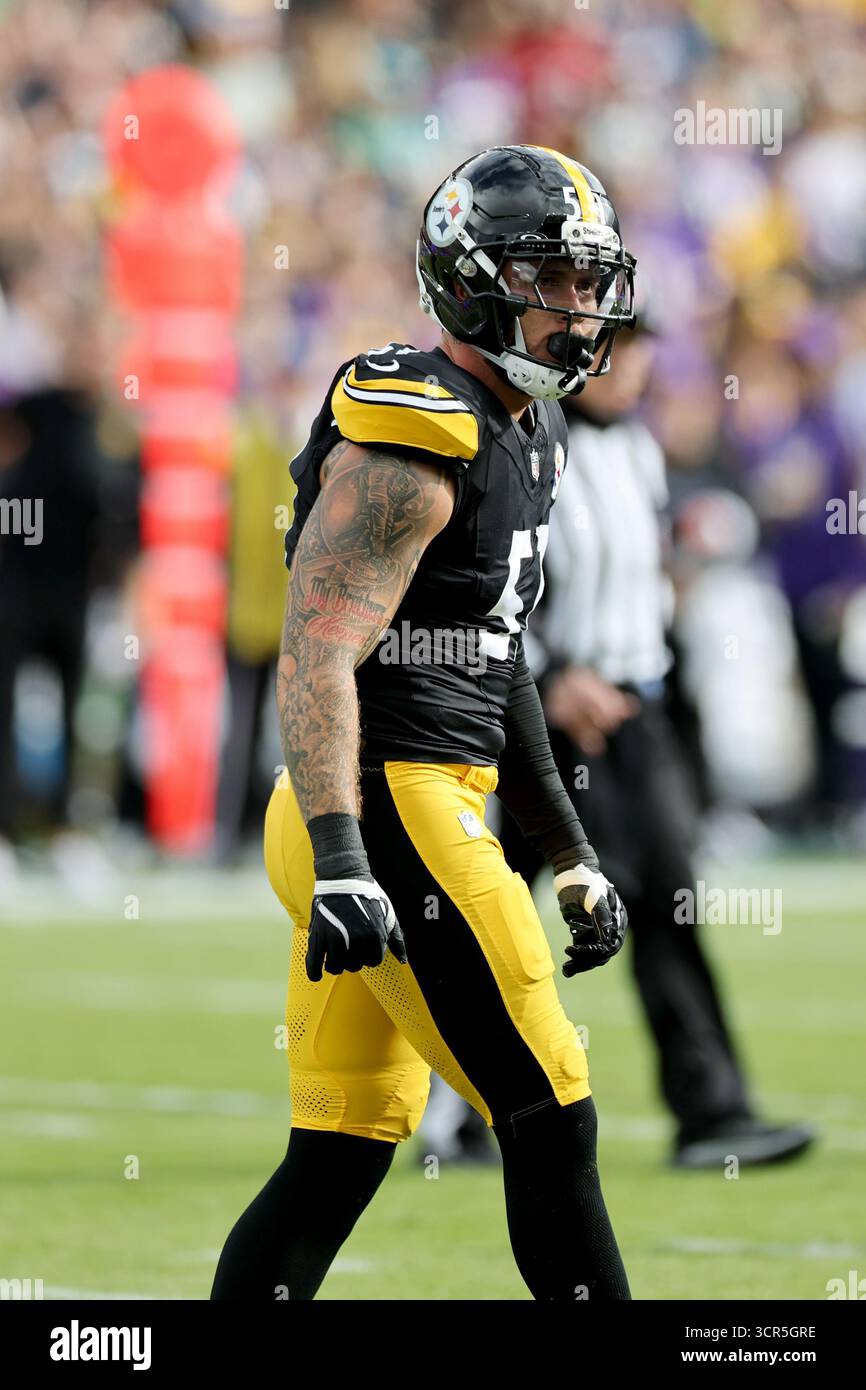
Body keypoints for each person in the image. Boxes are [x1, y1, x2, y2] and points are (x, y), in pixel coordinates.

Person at [211, 145, 636, 1301]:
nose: (580, 306)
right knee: (548, 1115)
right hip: (383, 807)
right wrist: (350, 860)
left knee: (337, 1151)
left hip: (398, 805)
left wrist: (566, 852)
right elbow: (317, 646)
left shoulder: (525, 431)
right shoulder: (413, 430)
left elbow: (497, 663)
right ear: (470, 279)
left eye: (589, 279)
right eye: (552, 275)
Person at [498, 313, 817, 1169]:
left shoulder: (637, 451)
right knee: (481, 913)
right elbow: (493, 581)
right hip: (546, 720)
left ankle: (712, 1111)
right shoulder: (529, 443)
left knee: (668, 900)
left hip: (635, 716)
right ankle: (439, 1104)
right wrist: (552, 672)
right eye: (617, 350)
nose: (631, 367)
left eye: (639, 351)